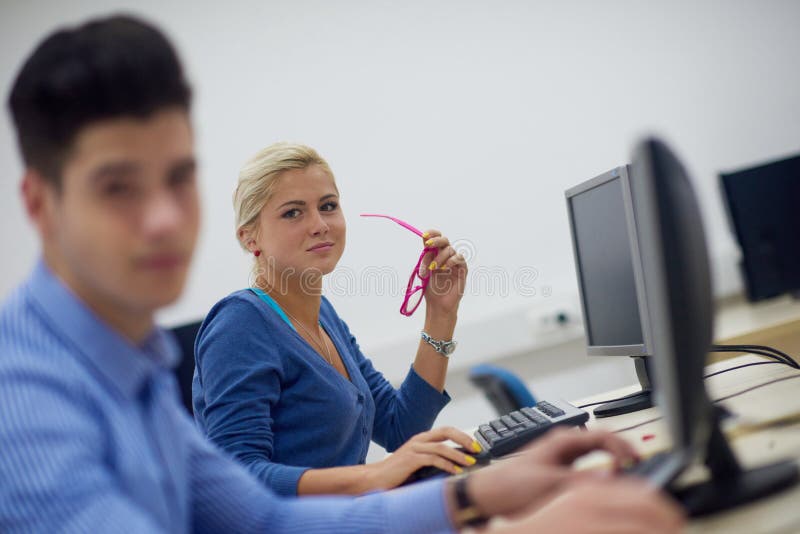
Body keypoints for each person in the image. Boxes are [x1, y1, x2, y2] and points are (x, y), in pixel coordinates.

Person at [0, 14, 685, 534]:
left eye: (179, 178)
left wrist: (469, 494)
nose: (163, 220)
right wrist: (388, 479)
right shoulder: (27, 400)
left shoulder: (138, 366)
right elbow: (263, 479)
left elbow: (277, 509)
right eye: (118, 187)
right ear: (40, 202)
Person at [193, 141, 478, 496]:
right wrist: (374, 476)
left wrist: (440, 313)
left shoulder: (323, 315)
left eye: (328, 206)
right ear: (250, 237)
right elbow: (240, 479)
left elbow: (399, 428)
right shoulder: (240, 324)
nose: (319, 225)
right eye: (293, 213)